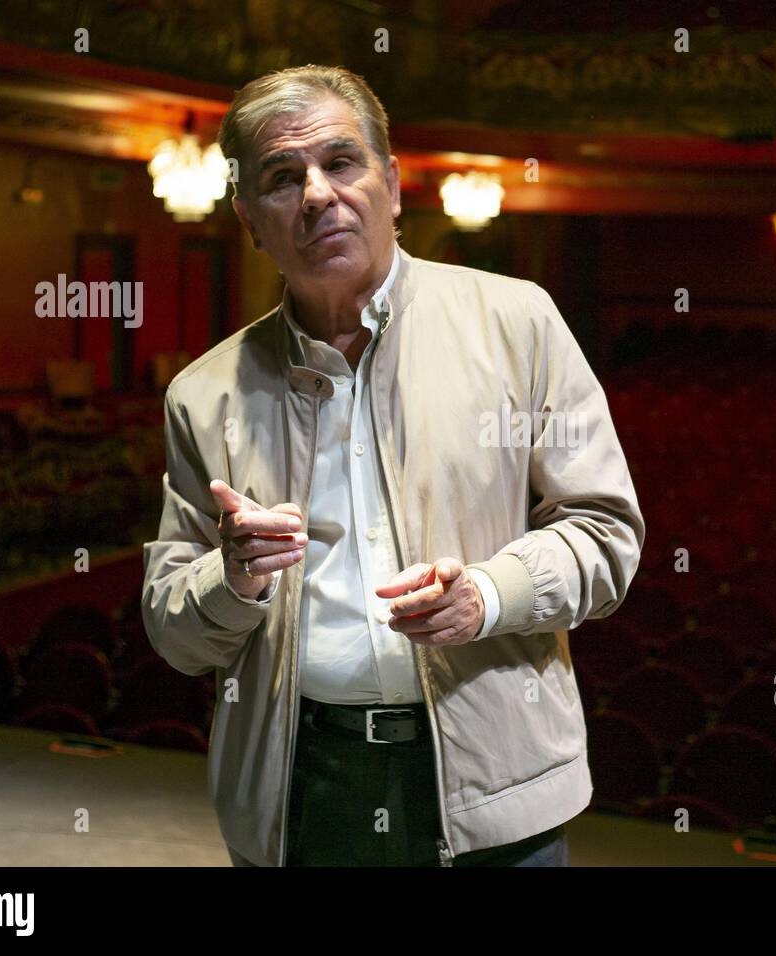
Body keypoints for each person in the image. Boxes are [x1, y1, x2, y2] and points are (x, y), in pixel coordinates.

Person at [141, 64, 644, 867]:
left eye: (341, 162)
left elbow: (605, 534)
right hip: (301, 792)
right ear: (249, 220)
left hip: (495, 780)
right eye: (281, 177)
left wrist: (489, 594)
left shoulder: (519, 321)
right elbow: (173, 630)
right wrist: (230, 579)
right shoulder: (204, 395)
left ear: (395, 185)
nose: (317, 194)